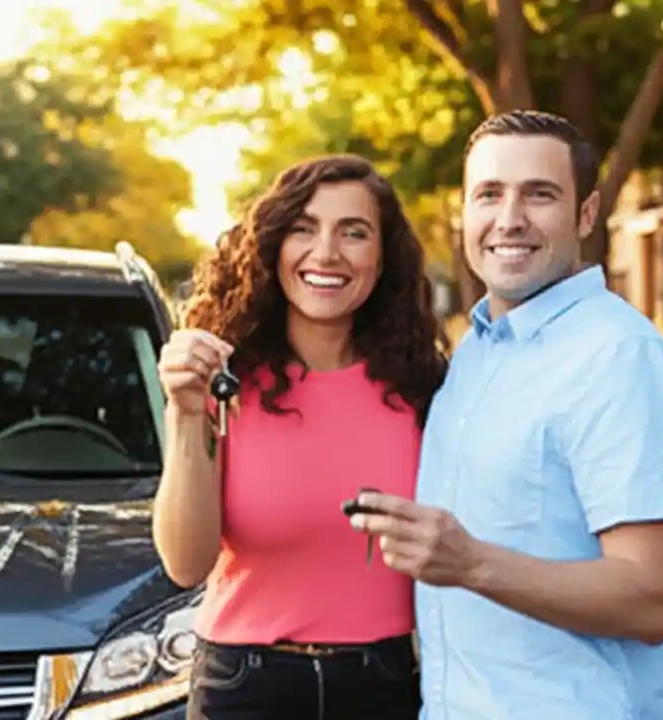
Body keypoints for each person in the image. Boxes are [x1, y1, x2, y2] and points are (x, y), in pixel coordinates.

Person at [349, 109, 663, 719]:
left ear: (585, 215)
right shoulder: (478, 350)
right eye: (489, 194)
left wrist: (471, 562)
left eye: (540, 195)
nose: (509, 219)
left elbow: (649, 599)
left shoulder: (619, 358)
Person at [153, 154, 448, 719]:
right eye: (303, 229)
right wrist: (185, 414)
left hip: (382, 685)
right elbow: (185, 565)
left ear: (383, 258)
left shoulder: (423, 387)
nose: (327, 253)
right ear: (273, 247)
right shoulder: (223, 380)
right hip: (244, 686)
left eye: (354, 233)